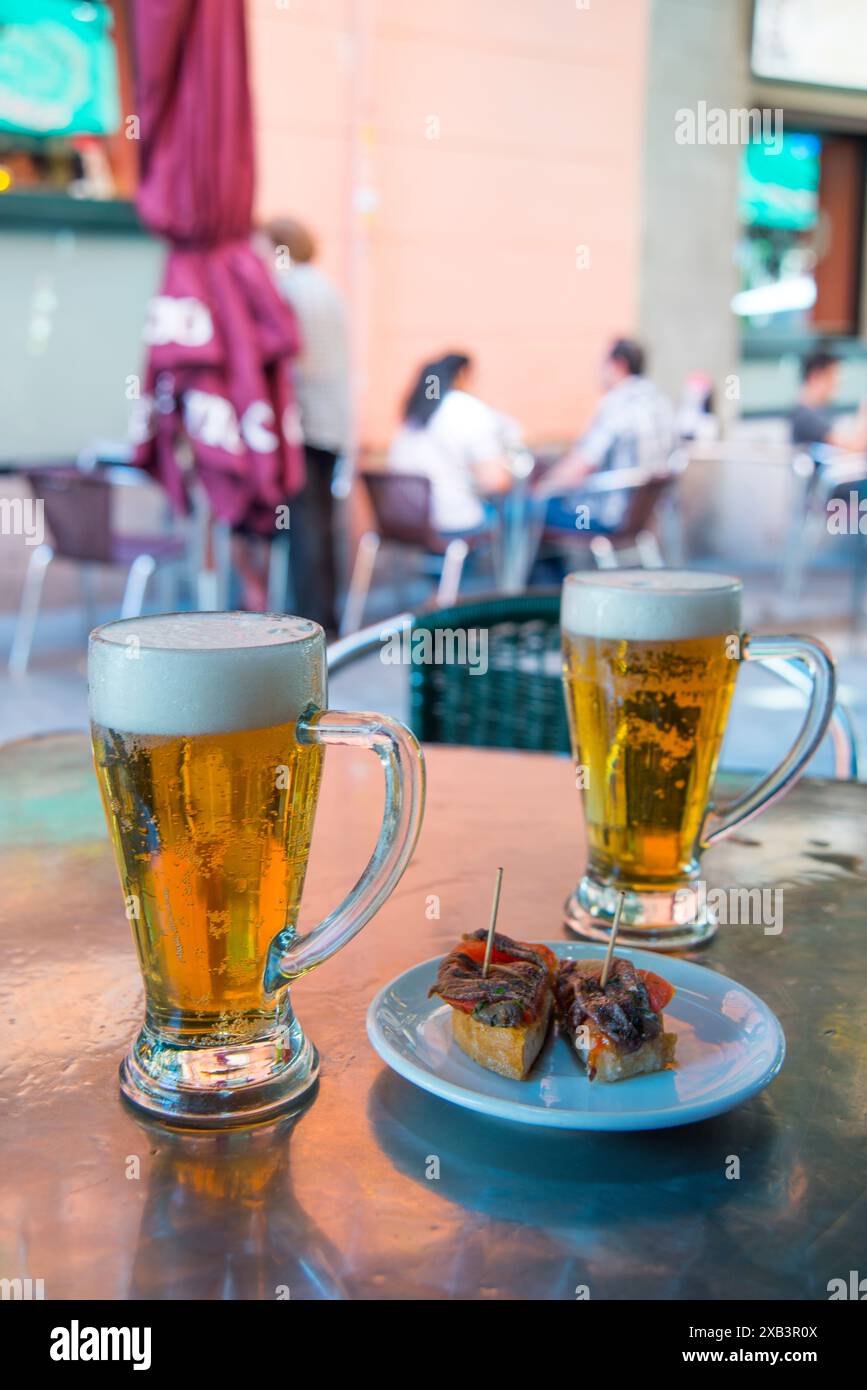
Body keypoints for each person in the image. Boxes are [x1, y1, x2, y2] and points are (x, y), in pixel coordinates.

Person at [262, 217, 351, 632]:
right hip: (333, 422)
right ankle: (326, 617)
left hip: (305, 421)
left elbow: (290, 360)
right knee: (322, 524)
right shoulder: (328, 289)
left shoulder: (289, 290)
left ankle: (308, 623)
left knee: (304, 527)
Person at [537, 339, 675, 516]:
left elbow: (582, 464)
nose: (598, 370)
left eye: (603, 363)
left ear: (619, 364)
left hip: (606, 515)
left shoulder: (618, 404)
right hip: (648, 518)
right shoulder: (661, 403)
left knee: (524, 512)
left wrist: (544, 488)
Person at [387, 353, 515, 533]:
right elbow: (495, 481)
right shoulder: (467, 409)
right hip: (449, 521)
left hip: (404, 521)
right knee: (515, 511)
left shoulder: (413, 416)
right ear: (462, 374)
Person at [791, 346, 867, 452]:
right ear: (814, 376)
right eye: (833, 376)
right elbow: (854, 447)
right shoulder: (806, 417)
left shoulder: (819, 412)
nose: (836, 384)